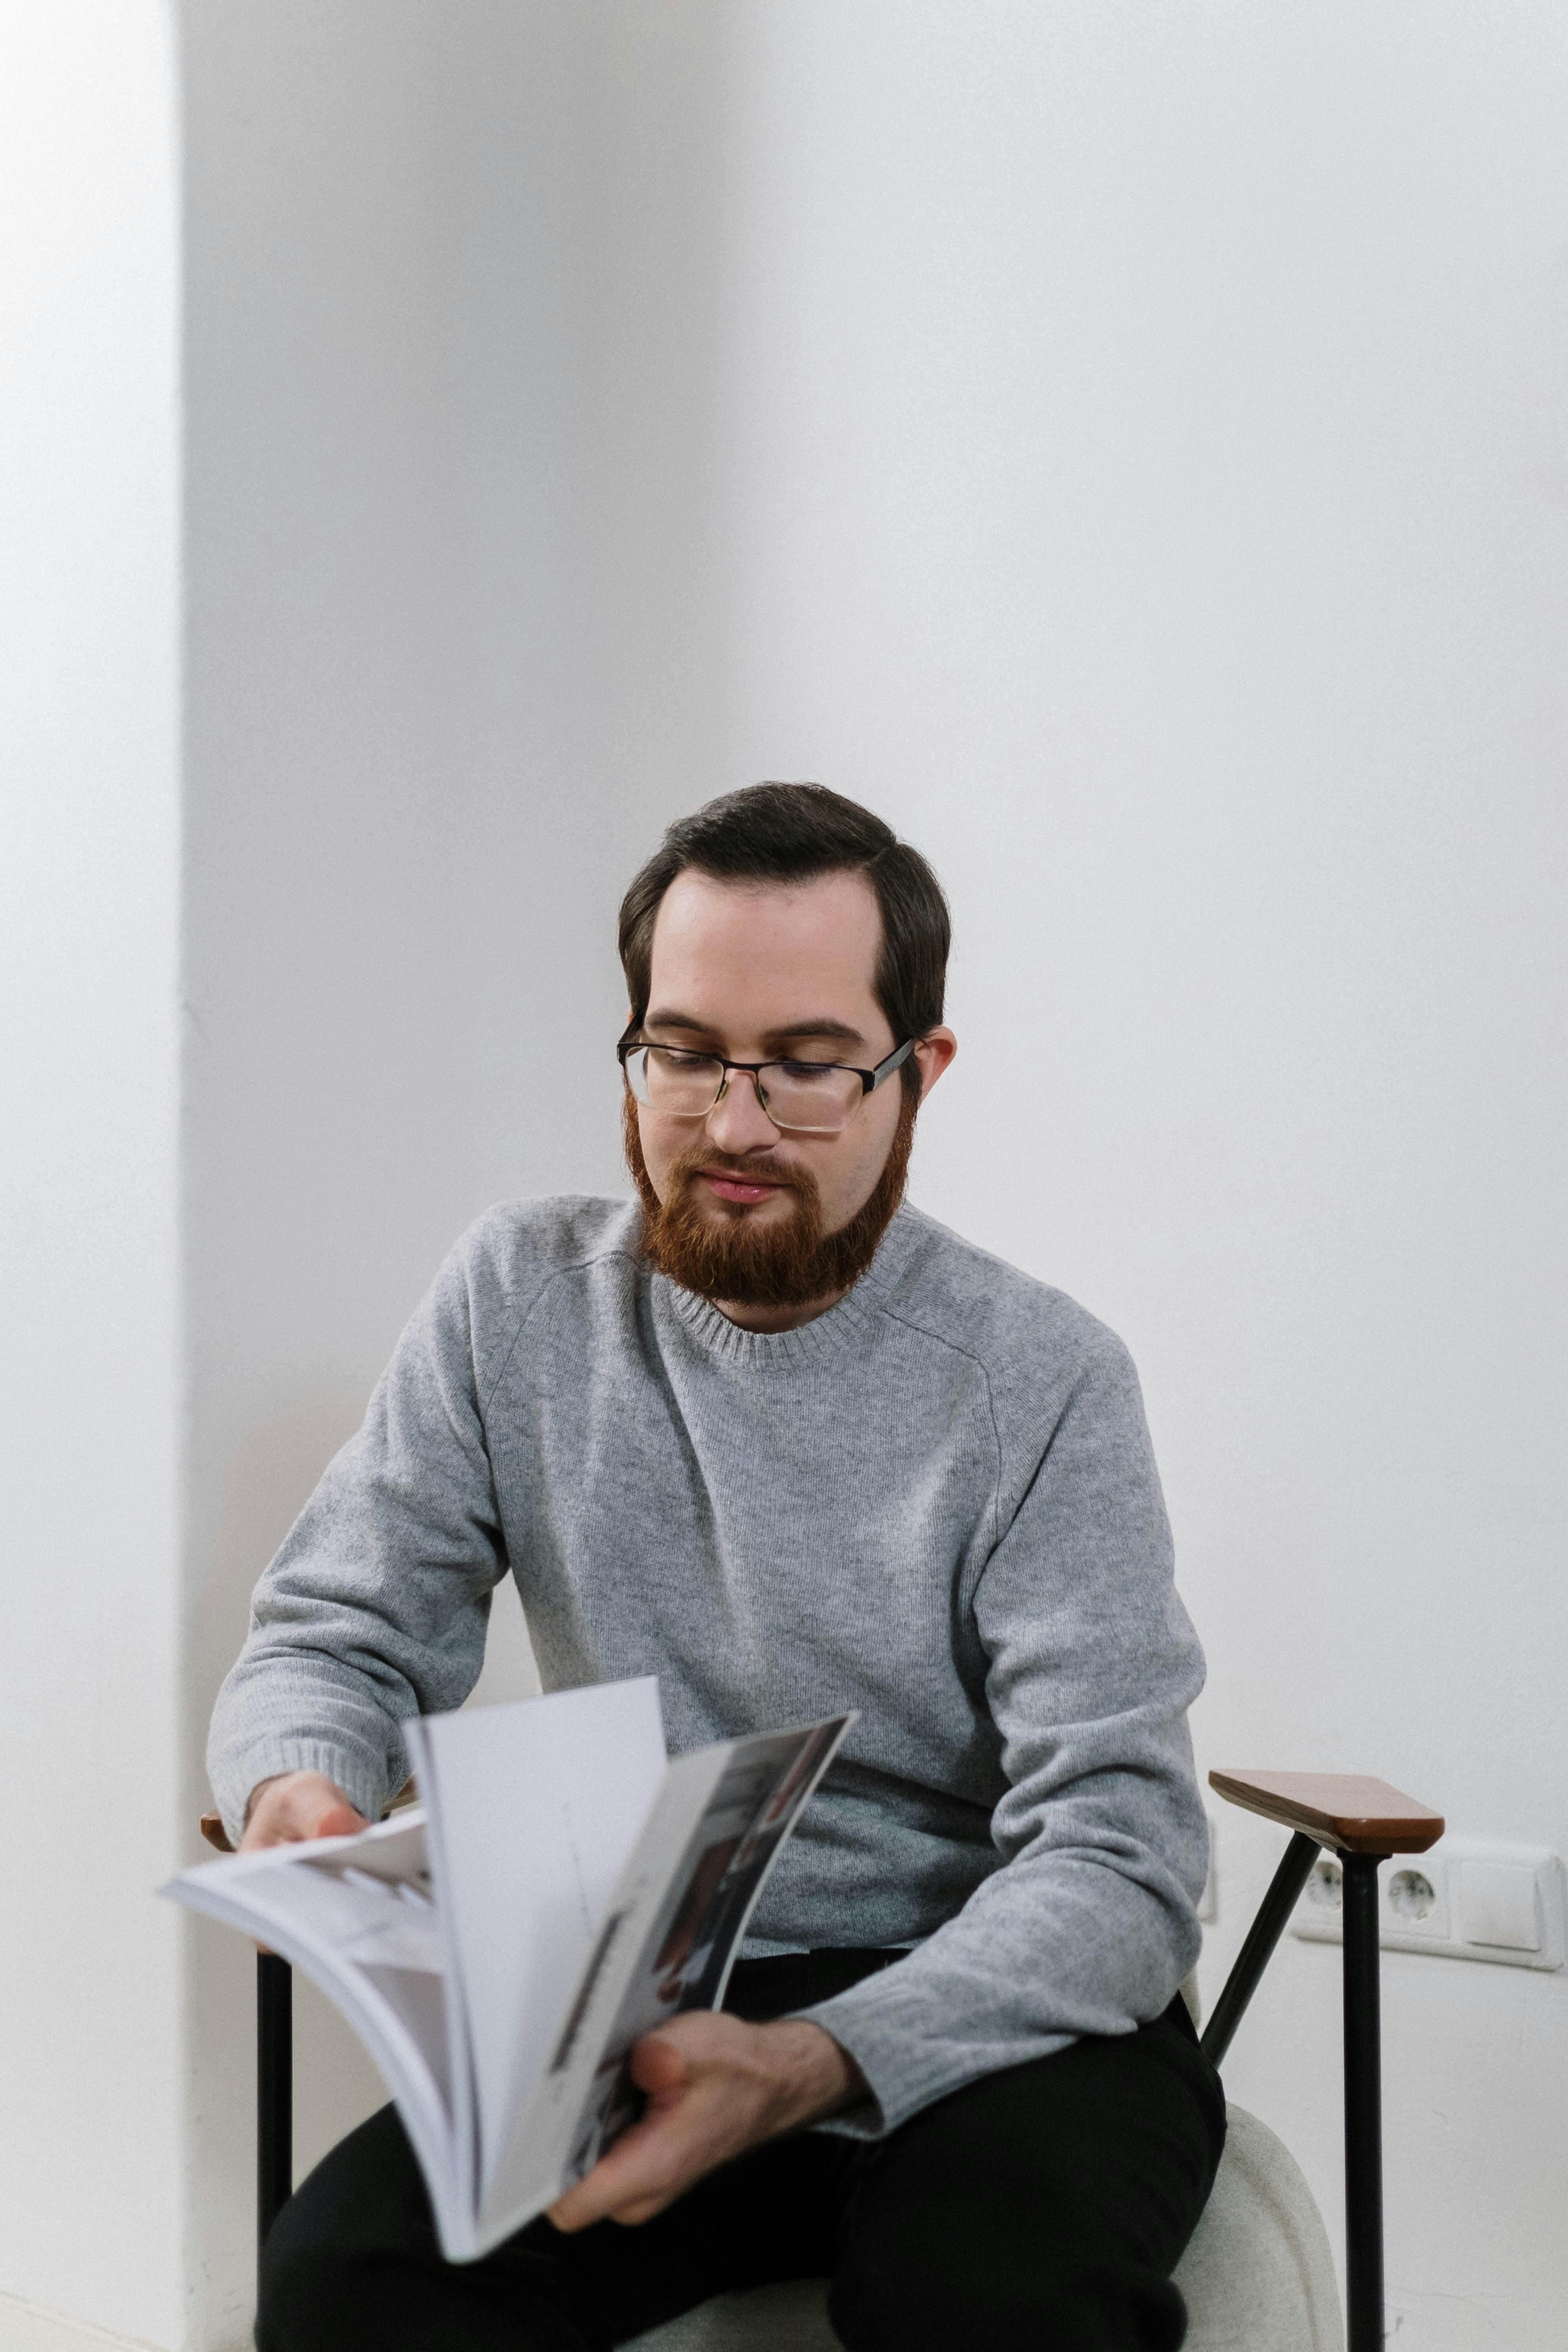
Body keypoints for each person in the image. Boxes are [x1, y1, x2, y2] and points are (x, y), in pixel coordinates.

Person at [211, 782, 1224, 2352]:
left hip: (995, 2007)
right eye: (683, 1052)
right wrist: (305, 1790)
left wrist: (825, 2056)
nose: (733, 1124)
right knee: (352, 2275)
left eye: (807, 1065)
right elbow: (335, 1629)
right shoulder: (519, 1299)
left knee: (988, 2292)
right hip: (647, 1997)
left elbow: (1123, 1851)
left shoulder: (1042, 1377)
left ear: (916, 1073)